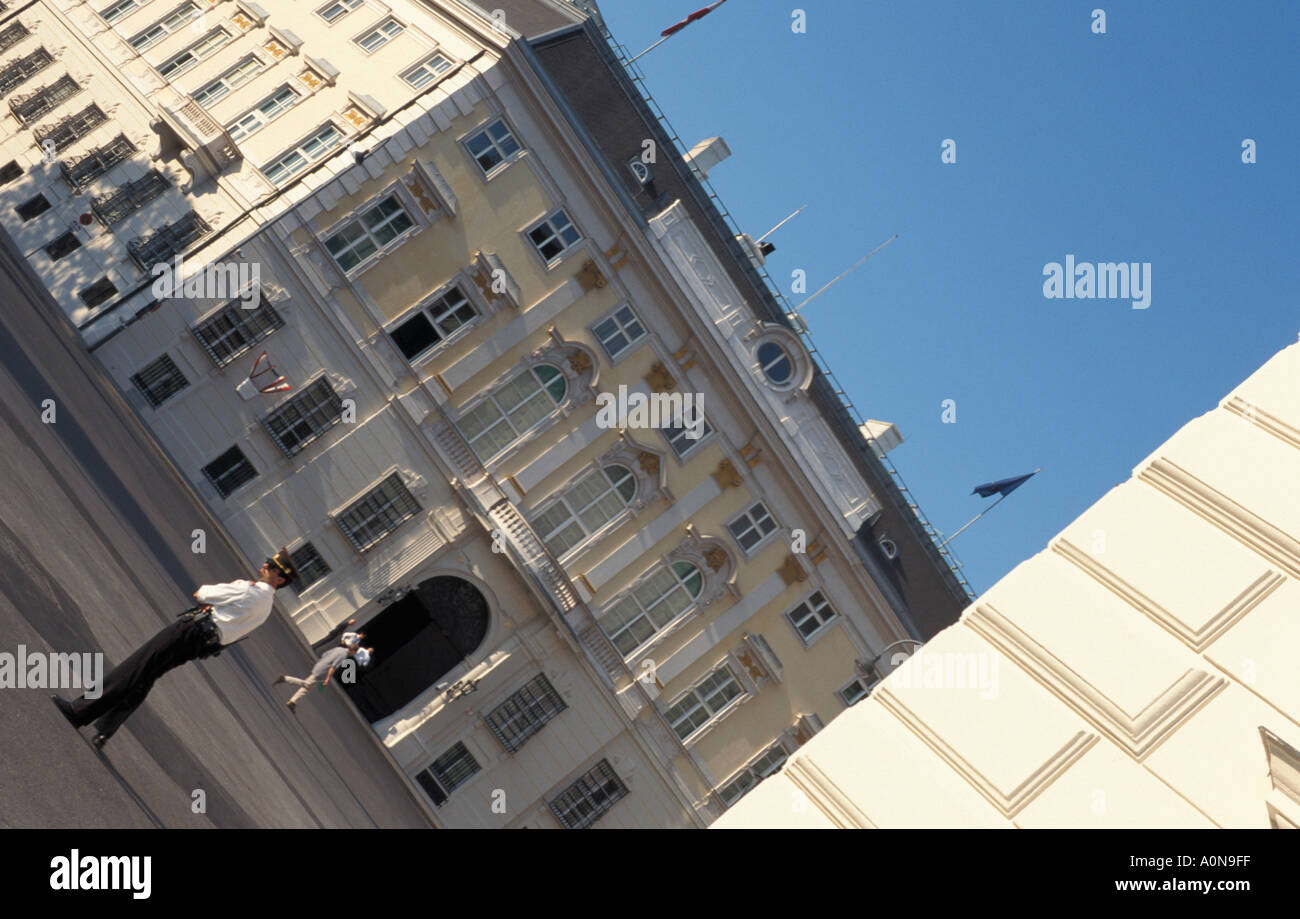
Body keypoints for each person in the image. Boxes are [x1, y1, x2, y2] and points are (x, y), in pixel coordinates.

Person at [52, 549, 298, 749]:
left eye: (272, 567)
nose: (265, 566)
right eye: (268, 563)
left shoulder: (248, 589)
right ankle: (106, 728)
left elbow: (202, 592)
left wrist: (208, 602)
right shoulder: (266, 607)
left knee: (134, 668)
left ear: (279, 578)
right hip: (203, 644)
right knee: (146, 676)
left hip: (190, 631)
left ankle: (79, 711)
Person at [274, 644, 374, 712]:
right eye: (354, 653)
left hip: (320, 664)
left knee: (307, 687)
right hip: (323, 671)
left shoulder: (339, 649)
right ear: (352, 651)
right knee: (307, 684)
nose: (354, 654)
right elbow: (333, 667)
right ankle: (285, 678)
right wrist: (327, 679)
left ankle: (292, 701)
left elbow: (325, 654)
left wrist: (322, 662)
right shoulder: (343, 655)